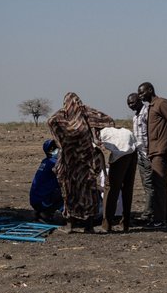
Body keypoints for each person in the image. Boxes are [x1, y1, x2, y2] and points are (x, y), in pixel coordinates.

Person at [47, 93, 116, 232]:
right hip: (83, 161)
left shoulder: (62, 116)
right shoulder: (85, 112)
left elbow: (50, 121)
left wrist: (63, 140)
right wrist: (95, 133)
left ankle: (71, 225)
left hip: (71, 161)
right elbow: (107, 120)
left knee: (71, 191)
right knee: (85, 192)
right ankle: (87, 226)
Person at [138, 82, 167, 228]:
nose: (140, 96)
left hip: (161, 151)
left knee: (158, 186)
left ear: (150, 90)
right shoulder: (150, 107)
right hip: (153, 151)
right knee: (160, 185)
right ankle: (165, 219)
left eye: (142, 92)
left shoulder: (162, 103)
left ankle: (159, 220)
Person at [100, 123, 137, 232]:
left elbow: (98, 154)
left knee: (111, 188)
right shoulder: (126, 131)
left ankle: (107, 224)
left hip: (120, 155)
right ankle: (125, 223)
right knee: (127, 188)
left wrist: (104, 172)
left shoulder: (101, 132)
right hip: (132, 152)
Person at [128, 92, 153, 225]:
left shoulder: (147, 113)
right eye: (129, 104)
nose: (131, 106)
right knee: (146, 185)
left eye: (132, 103)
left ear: (139, 100)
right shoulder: (135, 117)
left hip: (148, 154)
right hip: (140, 155)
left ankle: (149, 214)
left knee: (150, 185)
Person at [29, 139, 63, 222]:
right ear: (49, 151)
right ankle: (47, 213)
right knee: (67, 192)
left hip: (35, 200)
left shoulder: (46, 161)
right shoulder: (54, 163)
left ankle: (40, 212)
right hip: (42, 201)